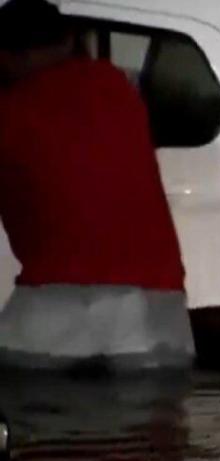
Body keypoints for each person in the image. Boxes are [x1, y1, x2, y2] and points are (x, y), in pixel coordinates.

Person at [0, 0, 193, 371]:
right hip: (157, 303)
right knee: (149, 419)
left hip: (62, 302)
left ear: (7, 56)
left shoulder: (12, 114)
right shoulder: (116, 88)